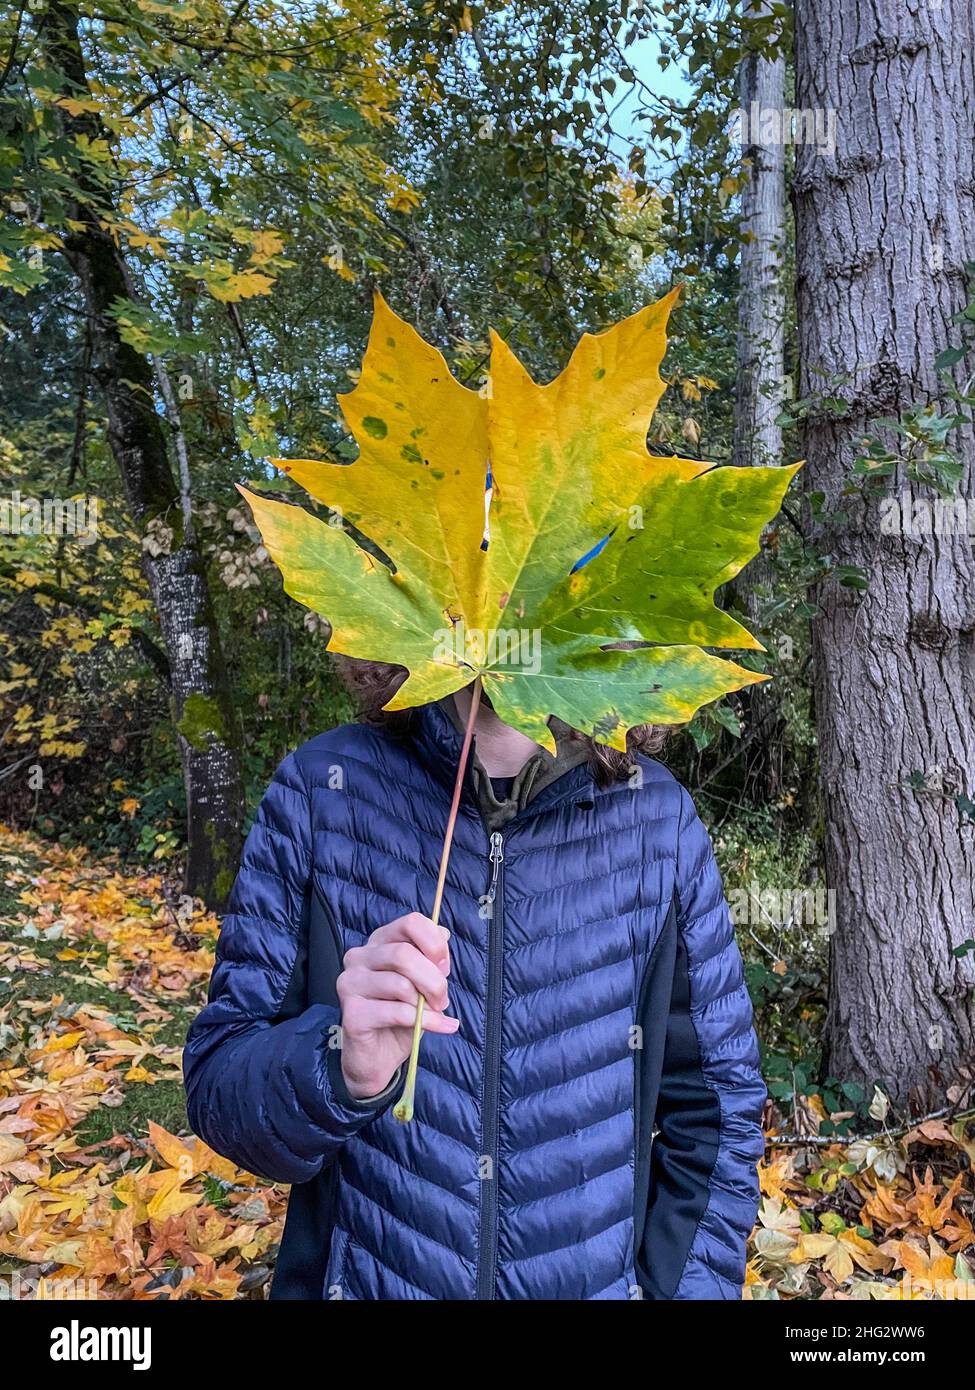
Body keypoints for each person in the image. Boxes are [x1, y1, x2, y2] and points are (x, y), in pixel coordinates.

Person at [182, 659, 766, 1300]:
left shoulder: (659, 822)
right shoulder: (321, 793)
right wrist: (337, 1067)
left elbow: (719, 1116)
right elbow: (219, 1085)